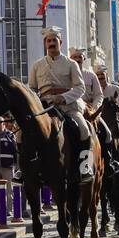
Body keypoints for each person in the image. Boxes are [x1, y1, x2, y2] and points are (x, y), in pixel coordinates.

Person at [29, 25, 94, 180]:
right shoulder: (37, 65)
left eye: (54, 40)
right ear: (45, 44)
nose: (51, 43)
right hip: (44, 107)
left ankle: (85, 167)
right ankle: (25, 168)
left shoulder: (71, 63)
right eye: (49, 41)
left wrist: (63, 97)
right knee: (23, 133)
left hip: (67, 106)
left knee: (84, 130)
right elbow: (31, 88)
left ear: (61, 43)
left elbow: (80, 88)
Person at [0, 118, 18, 184]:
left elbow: (15, 151)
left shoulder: (10, 135)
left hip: (8, 167)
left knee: (9, 190)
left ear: (4, 124)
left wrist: (16, 166)